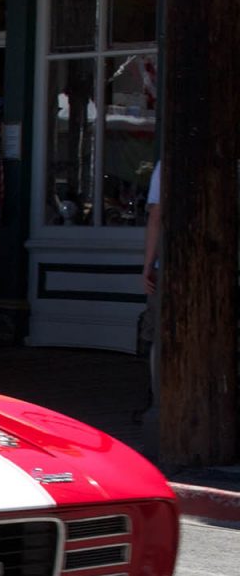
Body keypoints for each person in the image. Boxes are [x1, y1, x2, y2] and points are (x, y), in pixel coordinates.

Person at [139, 160, 162, 422]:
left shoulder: (167, 163)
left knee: (160, 334)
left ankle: (159, 404)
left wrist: (147, 265)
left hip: (169, 263)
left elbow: (156, 215)